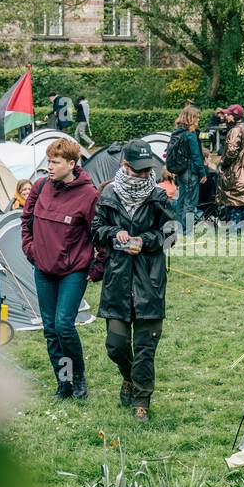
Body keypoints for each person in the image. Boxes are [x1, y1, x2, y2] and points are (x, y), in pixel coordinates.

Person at [91, 140, 175, 423]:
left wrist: (145, 240)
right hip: (117, 280)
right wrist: (115, 234)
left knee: (145, 345)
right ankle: (128, 377)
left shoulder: (158, 196)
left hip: (149, 280)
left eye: (146, 170)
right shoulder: (109, 195)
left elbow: (171, 234)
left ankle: (142, 400)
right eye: (137, 170)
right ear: (125, 166)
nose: (143, 175)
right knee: (115, 345)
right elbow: (96, 230)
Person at [22, 138, 102, 400]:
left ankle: (78, 377)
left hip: (73, 270)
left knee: (64, 325)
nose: (49, 167)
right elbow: (26, 219)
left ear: (71, 163)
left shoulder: (89, 195)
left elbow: (99, 233)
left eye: (55, 162)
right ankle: (64, 382)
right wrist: (30, 249)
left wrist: (97, 266)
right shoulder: (41, 186)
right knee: (50, 329)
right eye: (48, 161)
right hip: (43, 268)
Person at [218, 104, 244, 231]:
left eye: (228, 114)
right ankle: (242, 228)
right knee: (241, 202)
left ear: (234, 116)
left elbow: (231, 151)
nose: (226, 116)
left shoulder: (235, 130)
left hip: (235, 171)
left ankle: (233, 229)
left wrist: (223, 163)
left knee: (233, 201)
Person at [169, 104, 205, 233]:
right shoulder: (190, 134)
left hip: (181, 171)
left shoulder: (178, 131)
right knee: (191, 202)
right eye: (197, 117)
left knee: (181, 200)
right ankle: (188, 230)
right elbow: (196, 156)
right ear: (191, 118)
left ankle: (178, 228)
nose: (198, 119)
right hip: (191, 172)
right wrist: (202, 173)